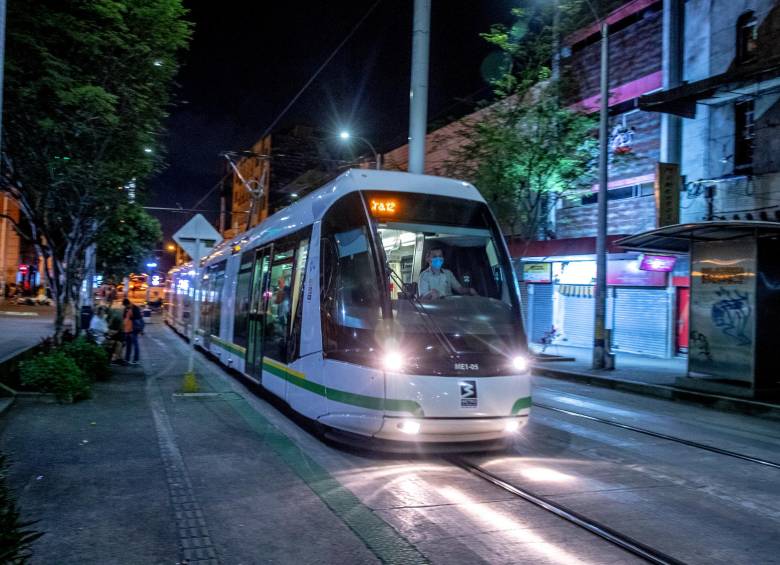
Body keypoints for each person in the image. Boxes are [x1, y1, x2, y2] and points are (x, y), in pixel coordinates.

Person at [122, 298, 143, 365]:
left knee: (135, 344)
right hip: (127, 329)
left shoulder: (135, 308)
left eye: (125, 305)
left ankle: (135, 360)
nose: (125, 307)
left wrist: (131, 317)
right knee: (128, 345)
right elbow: (124, 317)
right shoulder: (126, 309)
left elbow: (138, 317)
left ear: (127, 303)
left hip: (133, 329)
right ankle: (127, 359)